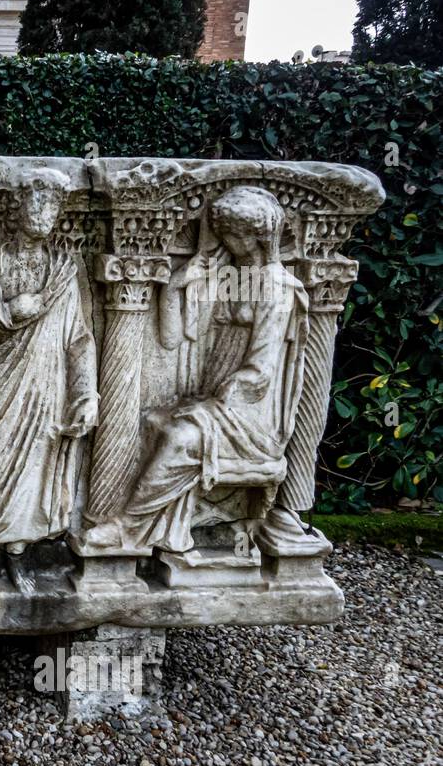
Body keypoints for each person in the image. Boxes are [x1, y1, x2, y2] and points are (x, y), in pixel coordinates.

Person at [84, 186, 309, 553]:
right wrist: (177, 284)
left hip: (253, 415)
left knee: (179, 438)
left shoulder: (276, 286)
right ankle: (155, 530)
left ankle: (127, 527)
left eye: (236, 234)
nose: (230, 241)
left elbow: (260, 371)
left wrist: (215, 403)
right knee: (155, 420)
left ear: (258, 236)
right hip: (218, 399)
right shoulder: (234, 279)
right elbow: (172, 338)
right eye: (224, 232)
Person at [0, 168, 97, 588]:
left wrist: (86, 394)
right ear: (15, 209)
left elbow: (79, 338)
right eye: (35, 201)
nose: (43, 212)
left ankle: (16, 555)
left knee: (34, 471)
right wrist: (10, 314)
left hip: (46, 387)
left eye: (52, 204)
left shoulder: (64, 271)